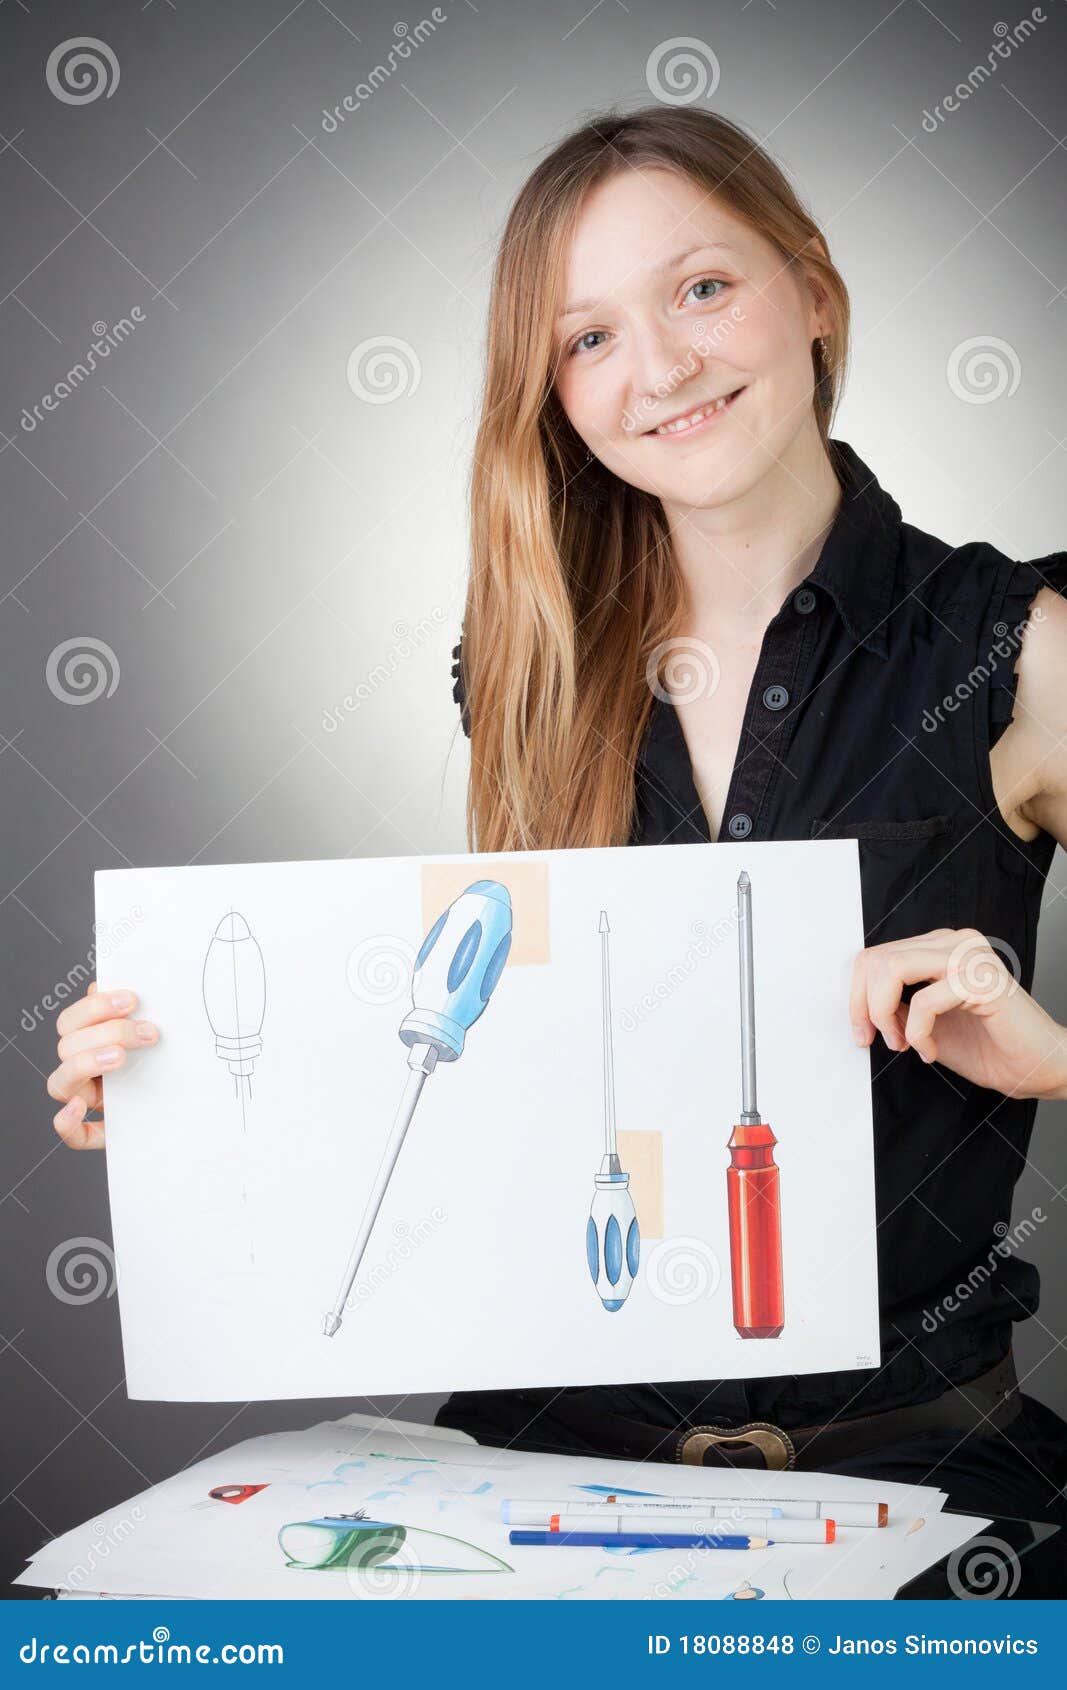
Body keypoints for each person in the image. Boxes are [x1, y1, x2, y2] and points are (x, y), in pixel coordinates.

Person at [47, 106, 1067, 1589]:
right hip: (538, 1481)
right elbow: (506, 1068)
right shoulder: (524, 670)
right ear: (555, 393)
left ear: (813, 289)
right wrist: (187, 1107)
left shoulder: (1021, 653)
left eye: (701, 289)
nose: (659, 368)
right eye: (588, 337)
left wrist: (1053, 1060)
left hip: (915, 1479)